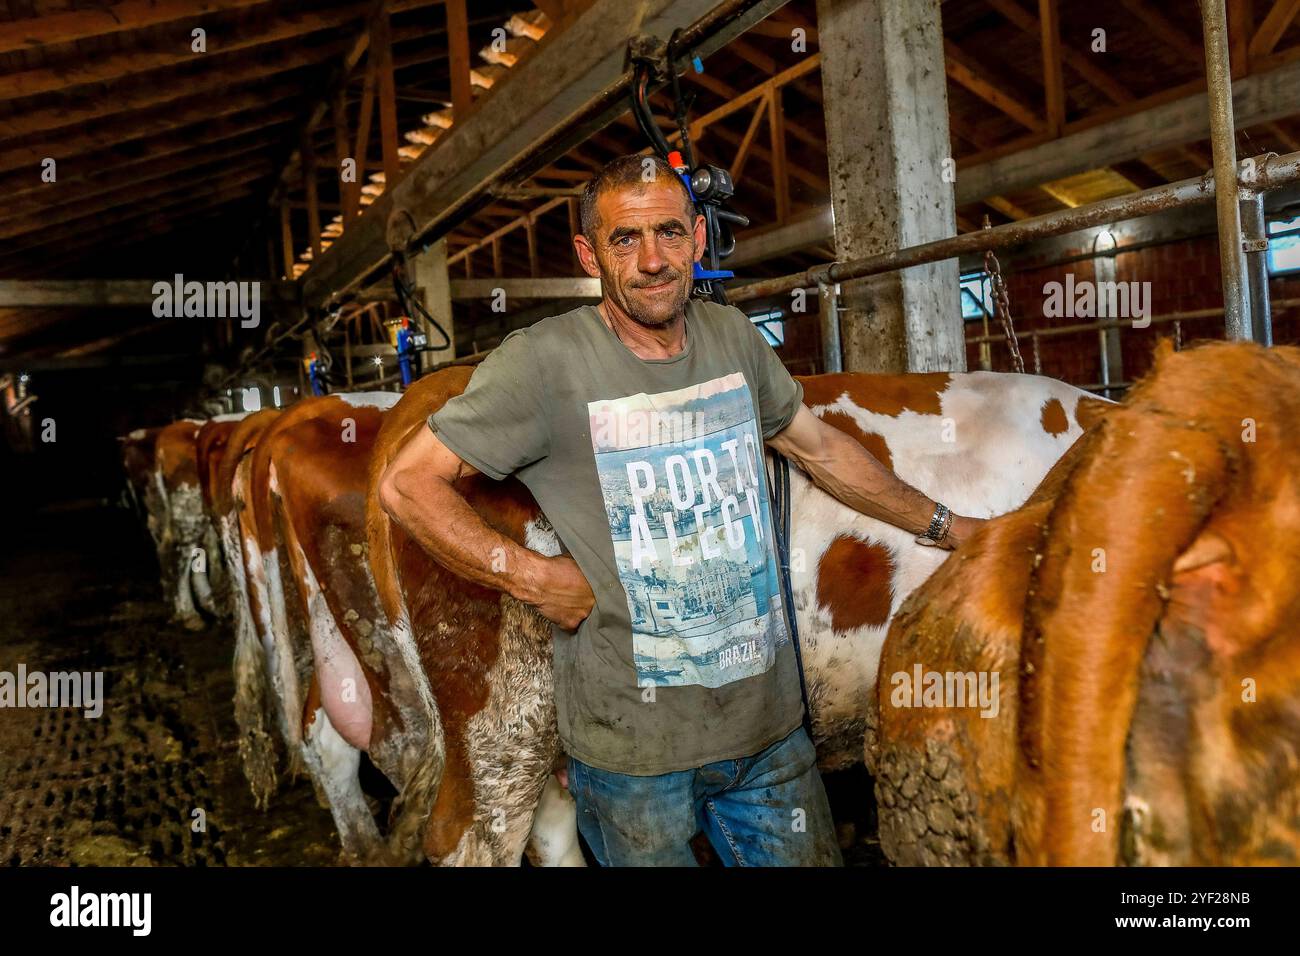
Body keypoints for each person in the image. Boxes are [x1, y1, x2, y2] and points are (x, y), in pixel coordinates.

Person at [379, 154, 982, 866]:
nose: (653, 260)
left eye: (669, 233)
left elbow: (823, 452)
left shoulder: (732, 339)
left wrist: (952, 527)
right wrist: (532, 577)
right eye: (625, 240)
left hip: (770, 738)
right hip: (634, 755)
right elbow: (406, 484)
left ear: (699, 238)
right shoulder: (545, 362)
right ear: (588, 254)